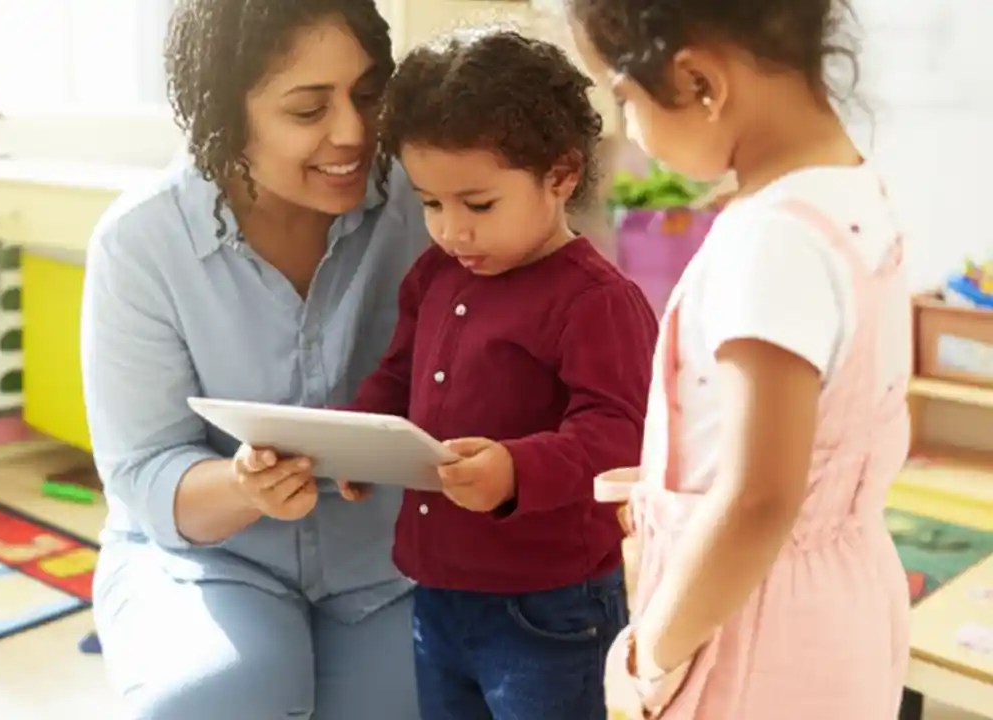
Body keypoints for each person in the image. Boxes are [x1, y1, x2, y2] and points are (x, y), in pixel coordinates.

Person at [80, 1, 431, 718]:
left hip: (387, 565)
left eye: (366, 96)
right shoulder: (141, 242)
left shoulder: (422, 207)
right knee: (217, 699)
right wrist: (245, 489)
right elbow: (143, 471)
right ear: (225, 112)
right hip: (206, 563)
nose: (353, 133)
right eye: (308, 110)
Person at [569, 0, 912, 717]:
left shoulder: (771, 240)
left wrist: (646, 660)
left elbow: (759, 500)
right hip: (842, 605)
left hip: (757, 626)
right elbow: (811, 433)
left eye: (625, 98)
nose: (627, 126)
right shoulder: (847, 191)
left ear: (700, 82)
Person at [333, 29, 659, 720]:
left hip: (549, 606)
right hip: (439, 589)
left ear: (562, 175)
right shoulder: (434, 276)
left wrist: (516, 470)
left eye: (478, 205)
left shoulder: (597, 300)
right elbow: (397, 379)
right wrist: (357, 442)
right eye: (430, 203)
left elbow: (621, 435)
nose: (453, 231)